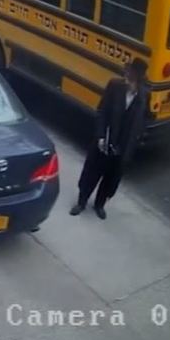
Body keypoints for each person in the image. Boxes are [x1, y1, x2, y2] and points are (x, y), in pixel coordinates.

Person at [69, 58, 149, 220]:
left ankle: (100, 204)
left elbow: (144, 117)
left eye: (133, 73)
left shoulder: (143, 95)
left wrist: (137, 137)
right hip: (106, 139)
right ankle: (81, 201)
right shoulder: (115, 86)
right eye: (129, 71)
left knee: (111, 177)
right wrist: (99, 136)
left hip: (123, 144)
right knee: (92, 172)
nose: (129, 74)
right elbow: (102, 111)